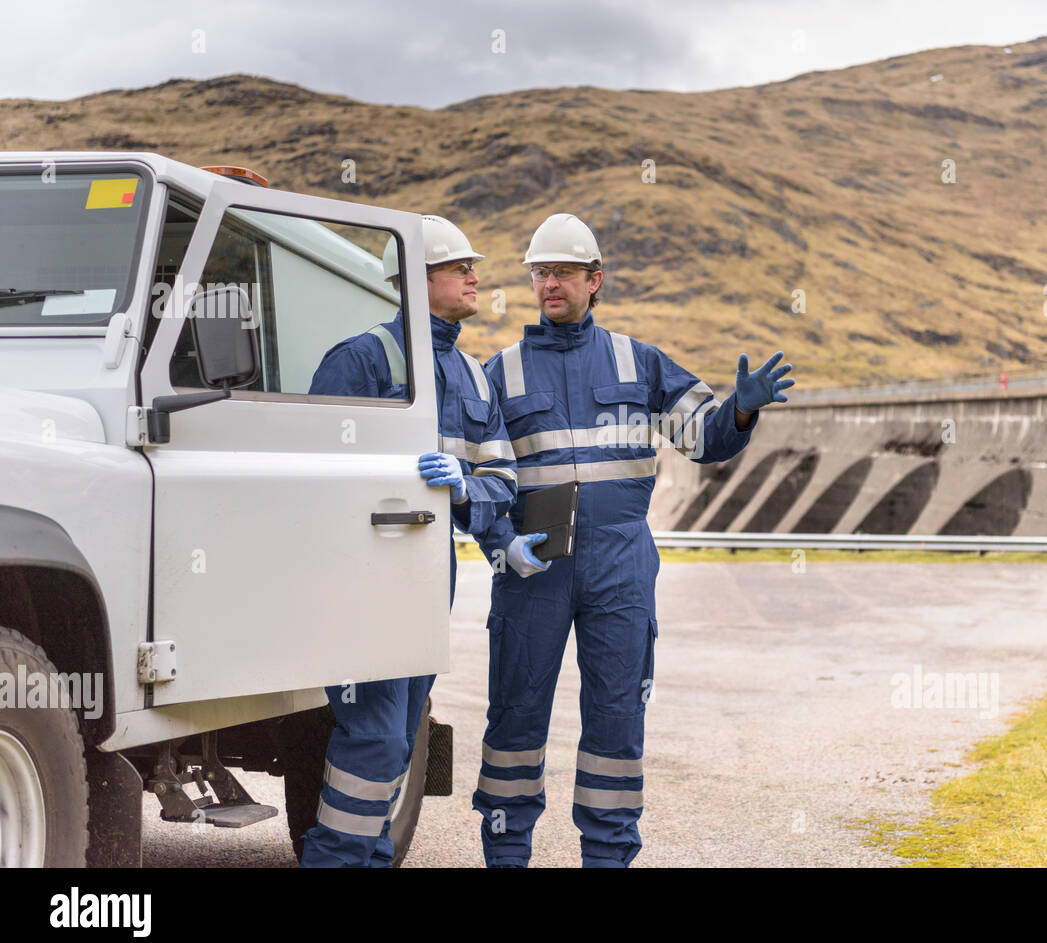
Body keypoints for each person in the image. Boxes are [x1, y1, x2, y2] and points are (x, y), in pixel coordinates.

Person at [471, 213, 795, 867]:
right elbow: (480, 481)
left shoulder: (638, 361)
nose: (549, 282)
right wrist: (502, 543)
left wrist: (740, 408)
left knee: (617, 716)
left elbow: (703, 437)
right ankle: (506, 855)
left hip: (620, 560)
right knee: (514, 715)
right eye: (540, 272)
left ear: (595, 279)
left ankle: (609, 856)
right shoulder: (497, 373)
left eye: (562, 271)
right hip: (535, 565)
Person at [298, 214, 531, 867]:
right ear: (414, 279)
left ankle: (366, 859)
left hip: (427, 590)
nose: (475, 275)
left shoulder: (474, 377)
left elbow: (500, 480)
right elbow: (318, 485)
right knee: (373, 740)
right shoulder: (361, 360)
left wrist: (464, 490)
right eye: (460, 267)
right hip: (363, 587)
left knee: (398, 741)